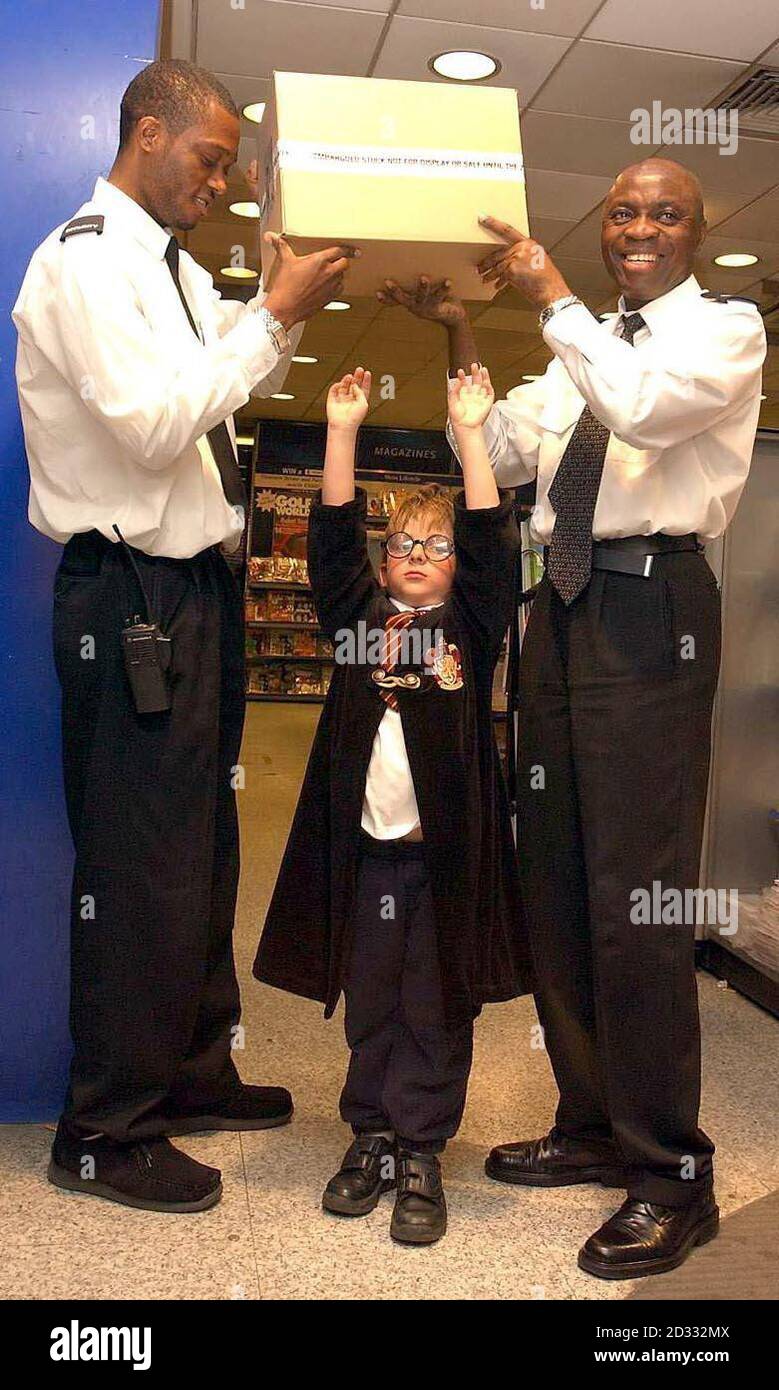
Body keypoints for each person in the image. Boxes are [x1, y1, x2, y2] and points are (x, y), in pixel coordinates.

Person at [380, 157, 766, 1277]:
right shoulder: (582, 340)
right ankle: (592, 1124)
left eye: (663, 213)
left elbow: (639, 405)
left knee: (633, 900)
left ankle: (670, 1174)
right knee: (555, 878)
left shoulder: (720, 332)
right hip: (559, 609)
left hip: (650, 608)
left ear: (696, 232)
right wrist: (462, 334)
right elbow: (500, 448)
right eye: (622, 211)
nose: (638, 226)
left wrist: (543, 290)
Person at [13, 58, 357, 1213]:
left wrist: (271, 299)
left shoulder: (164, 269)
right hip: (130, 600)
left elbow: (240, 355)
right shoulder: (84, 264)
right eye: (208, 160)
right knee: (139, 867)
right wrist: (268, 315)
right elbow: (163, 422)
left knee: (203, 849)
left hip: (194, 594)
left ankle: (192, 1069)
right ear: (146, 131)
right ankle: (105, 1130)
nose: (218, 183)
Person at [253, 364, 534, 1244]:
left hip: (442, 864)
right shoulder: (358, 623)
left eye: (433, 550)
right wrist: (340, 431)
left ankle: (420, 1145)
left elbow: (490, 540)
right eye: (403, 549)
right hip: (365, 855)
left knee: (434, 1000)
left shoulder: (472, 624)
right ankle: (370, 1132)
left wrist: (471, 434)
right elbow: (329, 545)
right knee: (371, 993)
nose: (416, 561)